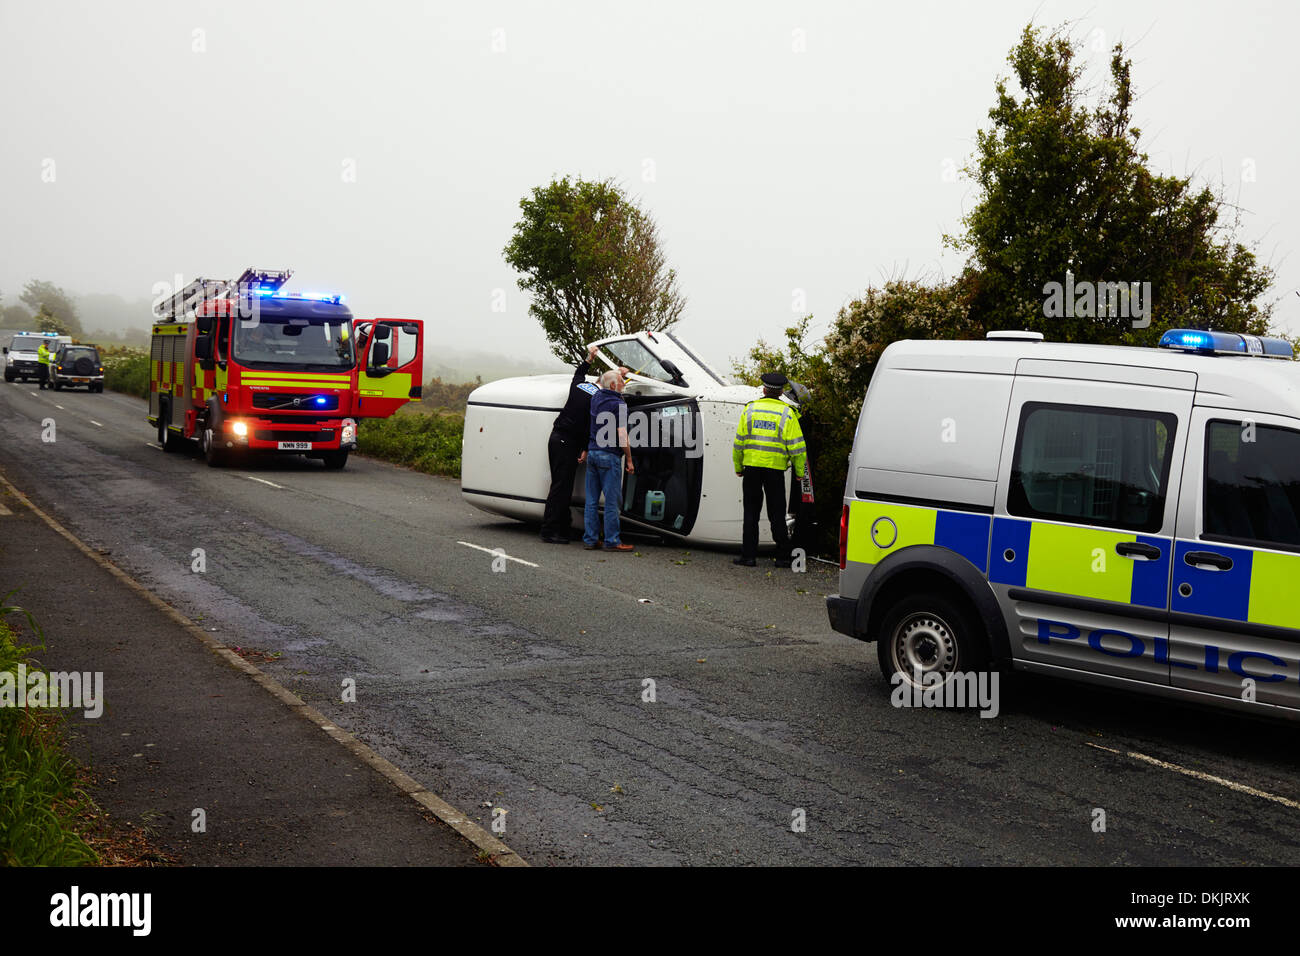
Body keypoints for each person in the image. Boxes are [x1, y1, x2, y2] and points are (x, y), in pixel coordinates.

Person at [732, 371, 806, 567]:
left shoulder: (750, 410)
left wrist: (738, 466)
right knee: (776, 513)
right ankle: (782, 557)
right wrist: (800, 473)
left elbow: (739, 442)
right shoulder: (787, 413)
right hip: (775, 472)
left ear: (764, 389)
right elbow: (798, 448)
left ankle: (748, 556)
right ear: (781, 392)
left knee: (750, 513)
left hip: (751, 470)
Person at [541, 345, 600, 543]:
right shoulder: (597, 398)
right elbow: (588, 425)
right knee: (561, 487)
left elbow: (579, 373)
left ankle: (562, 527)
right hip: (567, 441)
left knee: (561, 485)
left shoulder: (579, 386)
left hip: (557, 437)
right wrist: (585, 448)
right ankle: (550, 531)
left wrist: (589, 359)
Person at [583, 369, 635, 552]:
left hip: (593, 453)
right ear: (613, 385)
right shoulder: (619, 404)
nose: (624, 383)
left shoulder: (596, 398)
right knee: (612, 502)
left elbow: (601, 382)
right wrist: (629, 459)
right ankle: (612, 541)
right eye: (621, 381)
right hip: (609, 455)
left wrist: (616, 372)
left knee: (591, 501)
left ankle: (590, 539)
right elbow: (622, 435)